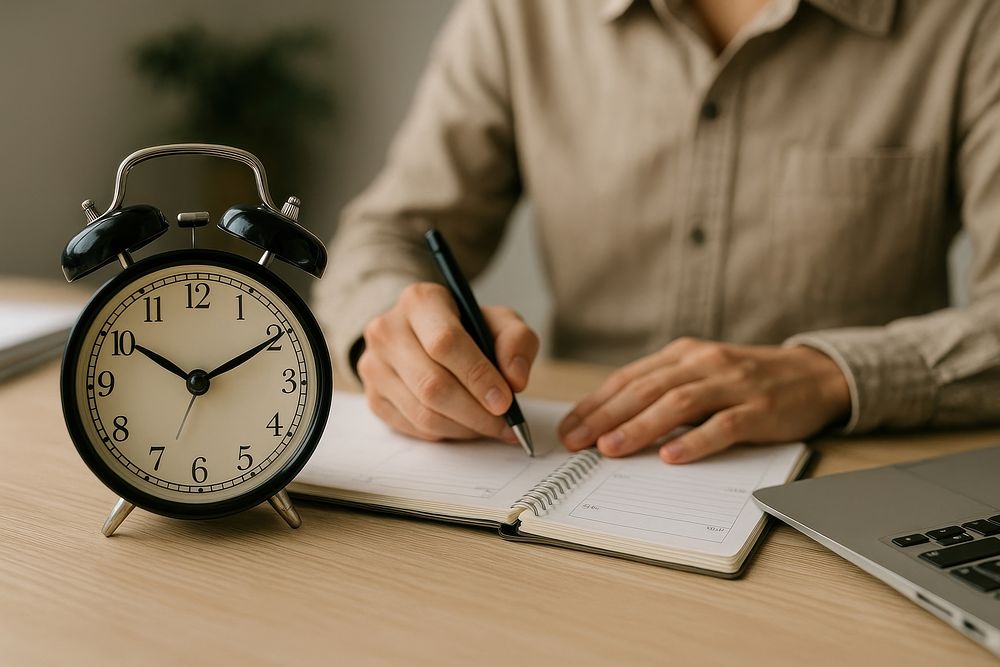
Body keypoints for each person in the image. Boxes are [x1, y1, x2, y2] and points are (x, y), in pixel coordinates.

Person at [314, 0, 1000, 464]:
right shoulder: (521, 14)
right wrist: (393, 336)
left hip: (849, 469)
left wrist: (830, 375)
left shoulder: (969, 21)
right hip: (578, 464)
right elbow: (385, 233)